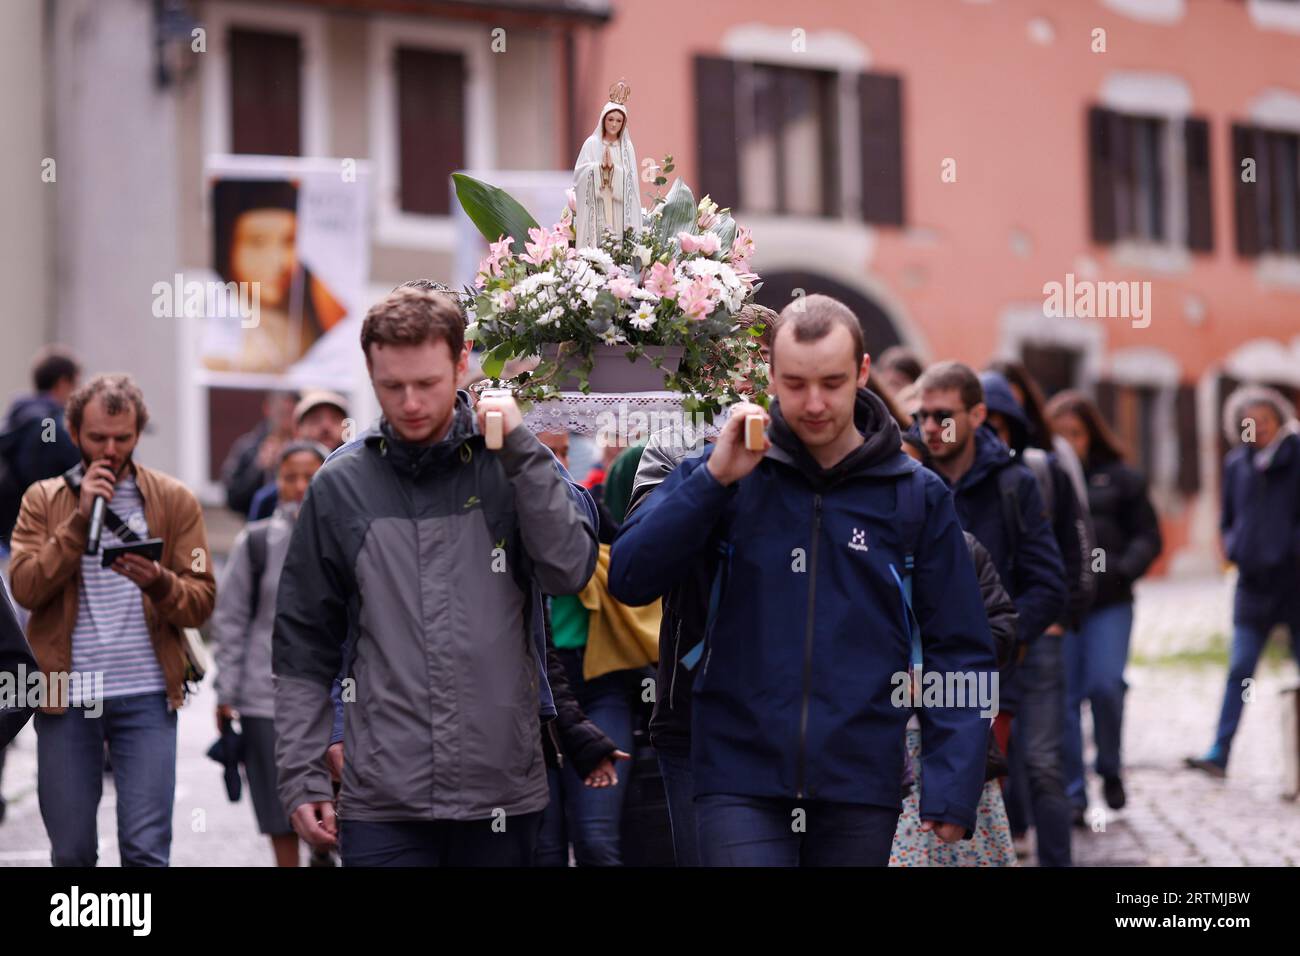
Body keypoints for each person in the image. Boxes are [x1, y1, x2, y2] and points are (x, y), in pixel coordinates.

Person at [610, 295, 996, 867]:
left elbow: (959, 645)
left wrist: (955, 778)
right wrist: (712, 480)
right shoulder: (724, 470)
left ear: (861, 373)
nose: (814, 403)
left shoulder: (914, 494)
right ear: (770, 376)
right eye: (795, 384)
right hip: (736, 772)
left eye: (831, 383)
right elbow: (630, 576)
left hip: (859, 775)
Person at [272, 286, 599, 867]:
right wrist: (302, 770)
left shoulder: (516, 460)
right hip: (383, 796)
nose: (411, 403)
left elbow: (569, 568)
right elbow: (305, 638)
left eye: (427, 383)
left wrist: (521, 451)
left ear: (461, 361)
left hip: (500, 790)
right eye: (392, 386)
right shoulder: (341, 484)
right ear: (370, 371)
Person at [9, 374, 215, 866]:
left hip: (147, 693)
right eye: (97, 437)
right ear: (73, 431)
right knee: (72, 852)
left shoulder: (175, 500)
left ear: (138, 433)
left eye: (122, 438)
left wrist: (159, 582)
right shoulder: (42, 500)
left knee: (145, 850)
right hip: (66, 698)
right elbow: (25, 587)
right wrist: (79, 521)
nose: (110, 450)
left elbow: (202, 599)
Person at [623, 304, 775, 866]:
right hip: (693, 707)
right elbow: (637, 566)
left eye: (761, 360)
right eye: (732, 359)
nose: (746, 374)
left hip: (796, 717)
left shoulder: (814, 448)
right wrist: (712, 475)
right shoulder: (673, 445)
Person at [914, 361, 1070, 865]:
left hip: (1010, 658)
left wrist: (998, 638)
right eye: (922, 416)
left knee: (1041, 767)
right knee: (950, 803)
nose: (930, 427)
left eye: (943, 416)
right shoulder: (910, 479)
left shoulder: (1014, 482)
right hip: (931, 674)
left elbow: (1048, 581)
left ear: (977, 415)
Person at [211, 441, 328, 867]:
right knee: (278, 808)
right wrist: (227, 691)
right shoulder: (257, 542)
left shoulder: (345, 534)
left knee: (338, 803)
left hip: (334, 697)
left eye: (310, 476)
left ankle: (322, 855)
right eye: (289, 477)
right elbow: (231, 619)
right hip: (264, 697)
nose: (300, 486)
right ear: (276, 482)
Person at [1047, 390, 1161, 814]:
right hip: (1063, 605)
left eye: (1076, 433)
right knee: (1065, 699)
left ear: (1091, 434)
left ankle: (1109, 766)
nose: (1069, 443)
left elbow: (1148, 535)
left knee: (1105, 685)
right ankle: (1074, 794)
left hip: (1110, 602)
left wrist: (1122, 569)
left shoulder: (1121, 479)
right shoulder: (1042, 478)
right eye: (1060, 434)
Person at [1186, 385, 1300, 778]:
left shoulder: (1296, 456)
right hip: (1252, 585)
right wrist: (1233, 546)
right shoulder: (1237, 464)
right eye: (1250, 423)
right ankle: (1220, 750)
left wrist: (1288, 548)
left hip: (1294, 583)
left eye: (1264, 420)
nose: (1258, 428)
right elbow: (1228, 517)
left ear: (1279, 419)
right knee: (1241, 670)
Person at [0, 347, 82, 549]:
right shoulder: (48, 422)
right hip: (35, 524)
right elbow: (45, 462)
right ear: (63, 383)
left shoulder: (17, 416)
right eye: (76, 384)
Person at [246, 391, 349, 521]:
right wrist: (259, 471)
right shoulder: (268, 499)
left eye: (335, 419)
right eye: (315, 419)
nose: (325, 426)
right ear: (297, 429)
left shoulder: (357, 486)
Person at [574, 81, 639, 250]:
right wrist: (598, 169)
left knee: (616, 244)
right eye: (610, 119)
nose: (614, 124)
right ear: (603, 120)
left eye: (618, 120)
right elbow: (578, 177)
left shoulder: (626, 148)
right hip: (597, 207)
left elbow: (632, 184)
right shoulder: (591, 144)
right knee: (598, 242)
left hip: (618, 209)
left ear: (623, 123)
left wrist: (614, 171)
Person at [220, 390, 298, 516]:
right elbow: (233, 498)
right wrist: (258, 468)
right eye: (281, 412)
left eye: (290, 413)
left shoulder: (307, 446)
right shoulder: (248, 447)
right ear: (268, 409)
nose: (286, 419)